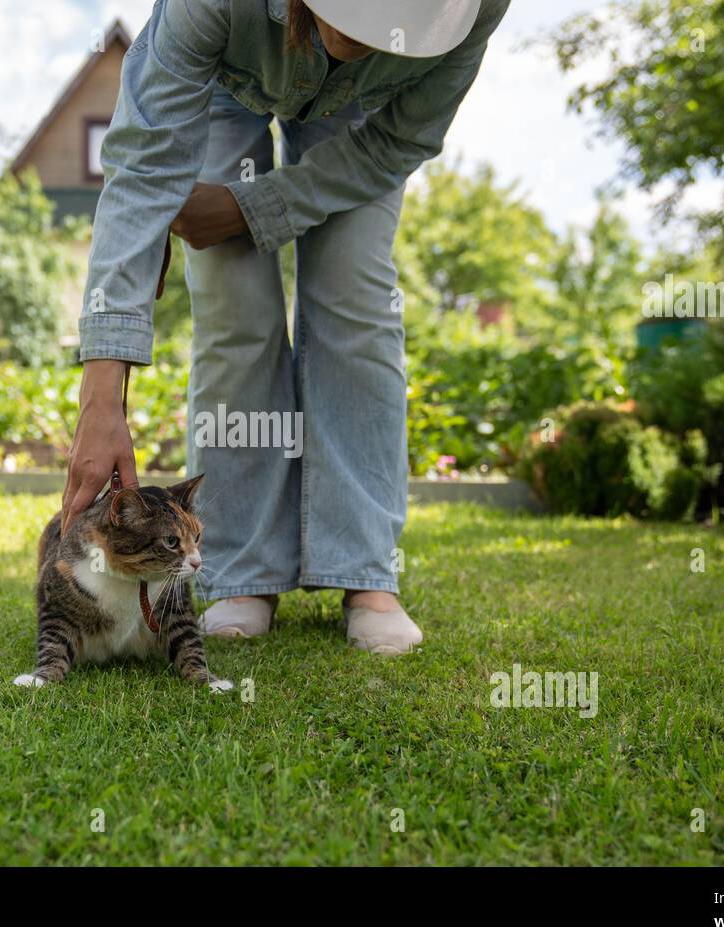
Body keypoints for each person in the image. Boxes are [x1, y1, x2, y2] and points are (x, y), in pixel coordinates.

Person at [61, 0, 510, 654]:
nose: (355, 38)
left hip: (367, 122)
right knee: (231, 298)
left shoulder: (475, 6)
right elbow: (144, 167)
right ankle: (244, 569)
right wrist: (102, 395)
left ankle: (365, 573)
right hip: (222, 84)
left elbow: (400, 141)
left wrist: (253, 207)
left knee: (356, 293)